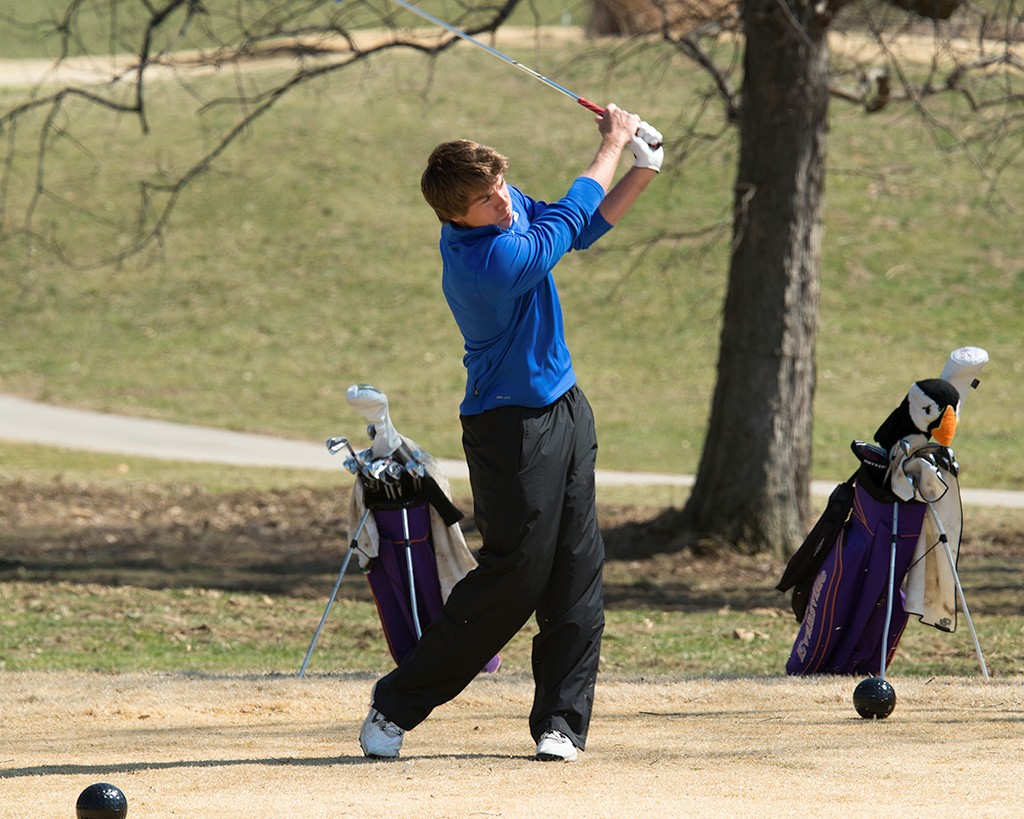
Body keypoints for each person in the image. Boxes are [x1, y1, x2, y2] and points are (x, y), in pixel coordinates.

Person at [359, 104, 663, 762]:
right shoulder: (486, 262)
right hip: (508, 426)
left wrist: (644, 167)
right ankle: (395, 704)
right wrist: (612, 143)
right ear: (453, 215)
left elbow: (580, 227)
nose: (501, 200)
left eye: (500, 186)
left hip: (565, 407)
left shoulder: (503, 206)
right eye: (483, 199)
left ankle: (561, 721)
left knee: (578, 569)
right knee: (516, 574)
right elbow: (563, 226)